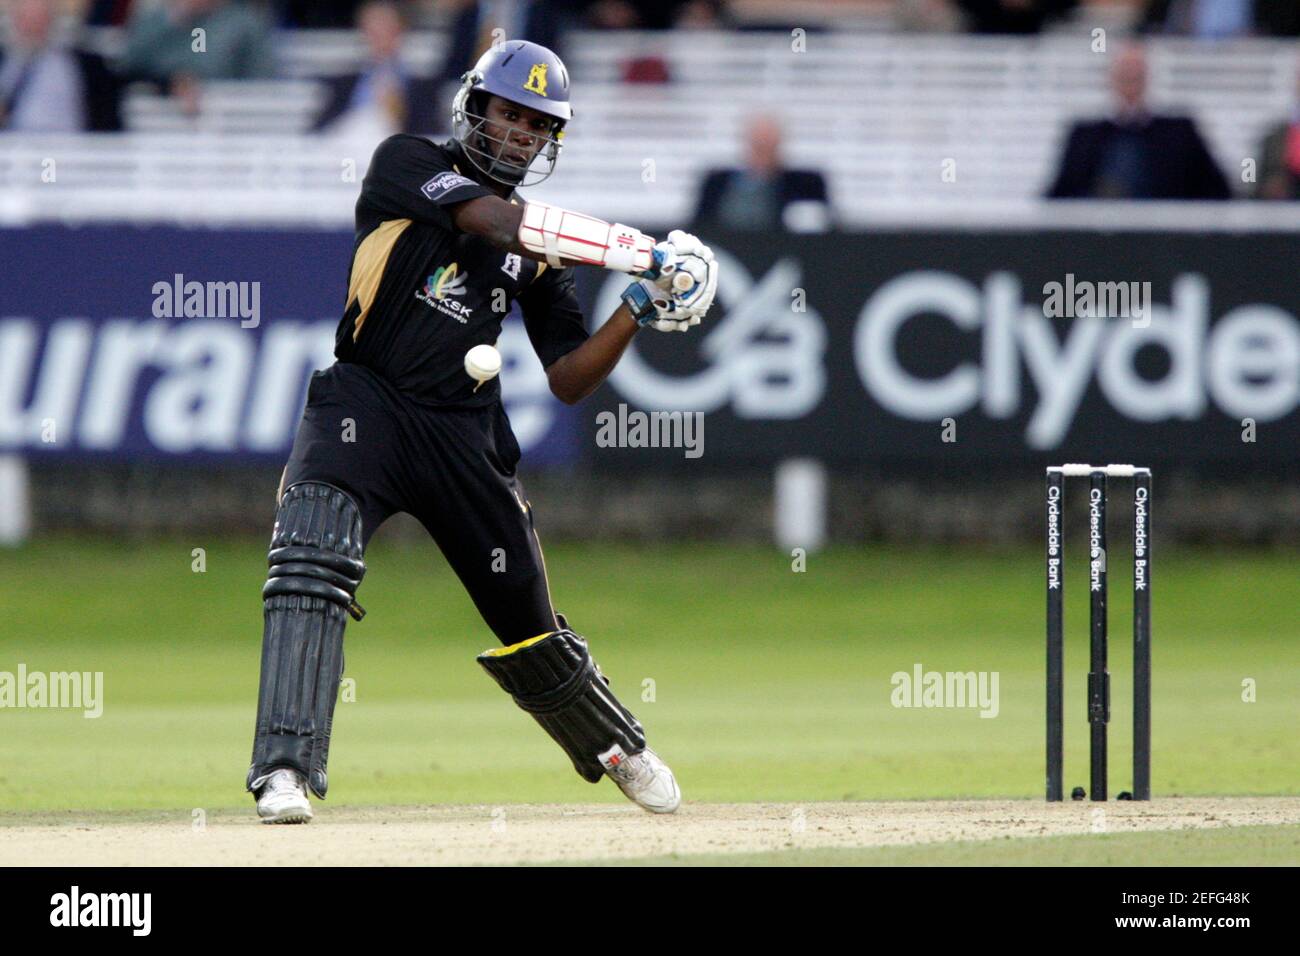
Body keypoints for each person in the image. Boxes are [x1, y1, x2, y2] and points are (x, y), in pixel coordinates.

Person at [246, 40, 718, 823]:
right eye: (509, 114)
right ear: (474, 107)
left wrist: (638, 304)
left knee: (527, 616)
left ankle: (618, 748)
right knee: (308, 561)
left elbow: (568, 376)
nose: (521, 135)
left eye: (539, 125)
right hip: (364, 405)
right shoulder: (405, 162)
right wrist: (645, 250)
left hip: (462, 434)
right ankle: (284, 771)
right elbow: (494, 219)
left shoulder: (542, 256)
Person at [1046, 43, 1230, 200]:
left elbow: (1216, 190)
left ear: (1148, 77)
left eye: (1137, 74)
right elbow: (1061, 194)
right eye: (1125, 73)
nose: (1131, 80)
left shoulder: (1180, 133)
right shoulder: (1084, 136)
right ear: (1112, 77)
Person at [313, 1, 437, 136]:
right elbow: (320, 131)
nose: (380, 36)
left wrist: (398, 117)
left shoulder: (423, 88)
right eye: (374, 30)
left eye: (386, 28)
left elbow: (433, 134)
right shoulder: (343, 85)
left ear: (400, 30)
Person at [693, 114, 832, 232]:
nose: (763, 150)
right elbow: (699, 225)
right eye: (758, 145)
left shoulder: (804, 185)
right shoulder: (717, 183)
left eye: (768, 144)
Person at [0, 0, 121, 132]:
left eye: (40, 17)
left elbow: (108, 123)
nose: (32, 25)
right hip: (12, 148)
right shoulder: (6, 63)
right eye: (25, 18)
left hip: (74, 147)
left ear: (54, 19)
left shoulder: (87, 66)